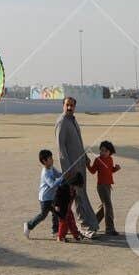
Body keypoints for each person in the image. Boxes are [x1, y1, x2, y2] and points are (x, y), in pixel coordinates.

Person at [54, 96, 98, 237]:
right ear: (63, 105)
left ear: (75, 107)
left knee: (82, 194)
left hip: (80, 165)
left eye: (72, 105)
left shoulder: (73, 120)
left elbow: (78, 142)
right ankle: (85, 228)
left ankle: (90, 225)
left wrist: (84, 157)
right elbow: (61, 148)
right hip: (71, 168)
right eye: (67, 105)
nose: (69, 107)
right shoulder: (61, 122)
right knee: (77, 196)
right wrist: (68, 170)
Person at [22, 149, 65, 239]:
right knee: (43, 215)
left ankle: (55, 231)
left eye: (51, 157)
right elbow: (52, 184)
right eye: (50, 158)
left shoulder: (52, 168)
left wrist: (63, 174)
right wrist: (62, 178)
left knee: (56, 213)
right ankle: (29, 225)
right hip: (45, 198)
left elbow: (58, 175)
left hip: (52, 197)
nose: (52, 160)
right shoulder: (45, 173)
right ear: (44, 161)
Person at [88, 140, 121, 236]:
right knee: (108, 207)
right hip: (101, 186)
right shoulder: (98, 160)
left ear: (110, 152)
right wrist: (87, 164)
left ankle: (92, 224)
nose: (102, 153)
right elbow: (92, 171)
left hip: (108, 186)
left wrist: (116, 169)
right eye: (101, 150)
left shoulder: (110, 159)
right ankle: (109, 229)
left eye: (105, 151)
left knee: (104, 207)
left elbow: (110, 170)